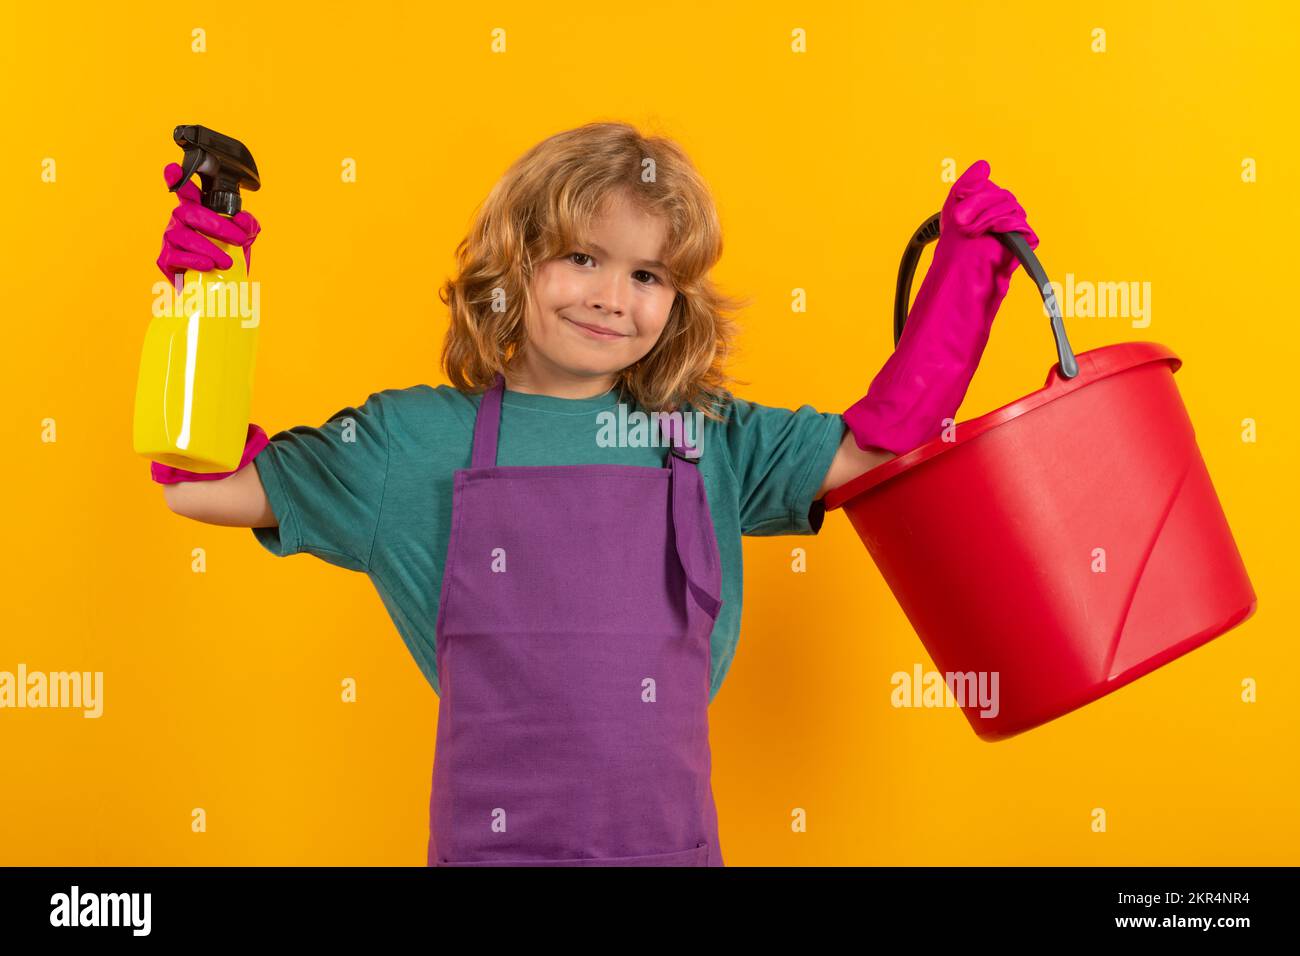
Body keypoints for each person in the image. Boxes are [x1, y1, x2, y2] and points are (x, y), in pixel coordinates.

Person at [151, 122, 1036, 866]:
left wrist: (966, 272)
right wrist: (201, 295)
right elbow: (202, 485)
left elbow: (883, 441)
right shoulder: (411, 441)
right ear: (510, 266)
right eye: (582, 258)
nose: (614, 299)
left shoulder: (712, 436)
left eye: (648, 276)